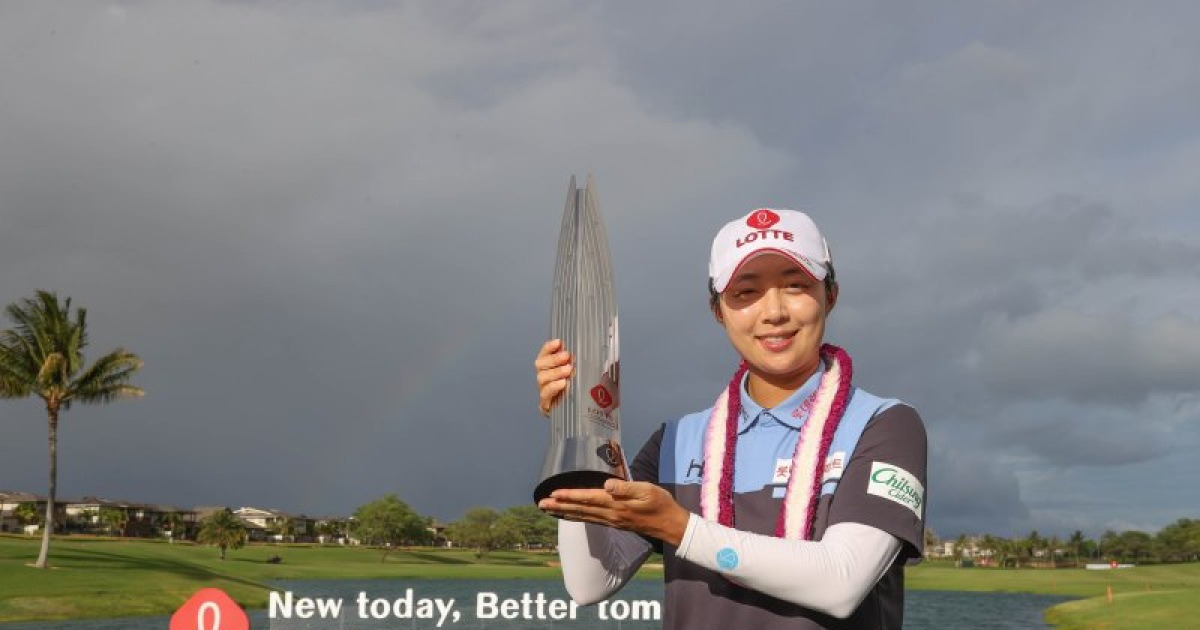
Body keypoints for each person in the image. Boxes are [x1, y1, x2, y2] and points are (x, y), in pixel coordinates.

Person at [534, 208, 928, 629]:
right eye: (745, 292)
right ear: (718, 310)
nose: (773, 312)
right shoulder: (676, 440)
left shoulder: (884, 424)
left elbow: (842, 582)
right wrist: (579, 424)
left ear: (830, 295)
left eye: (795, 286)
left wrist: (681, 528)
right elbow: (591, 582)